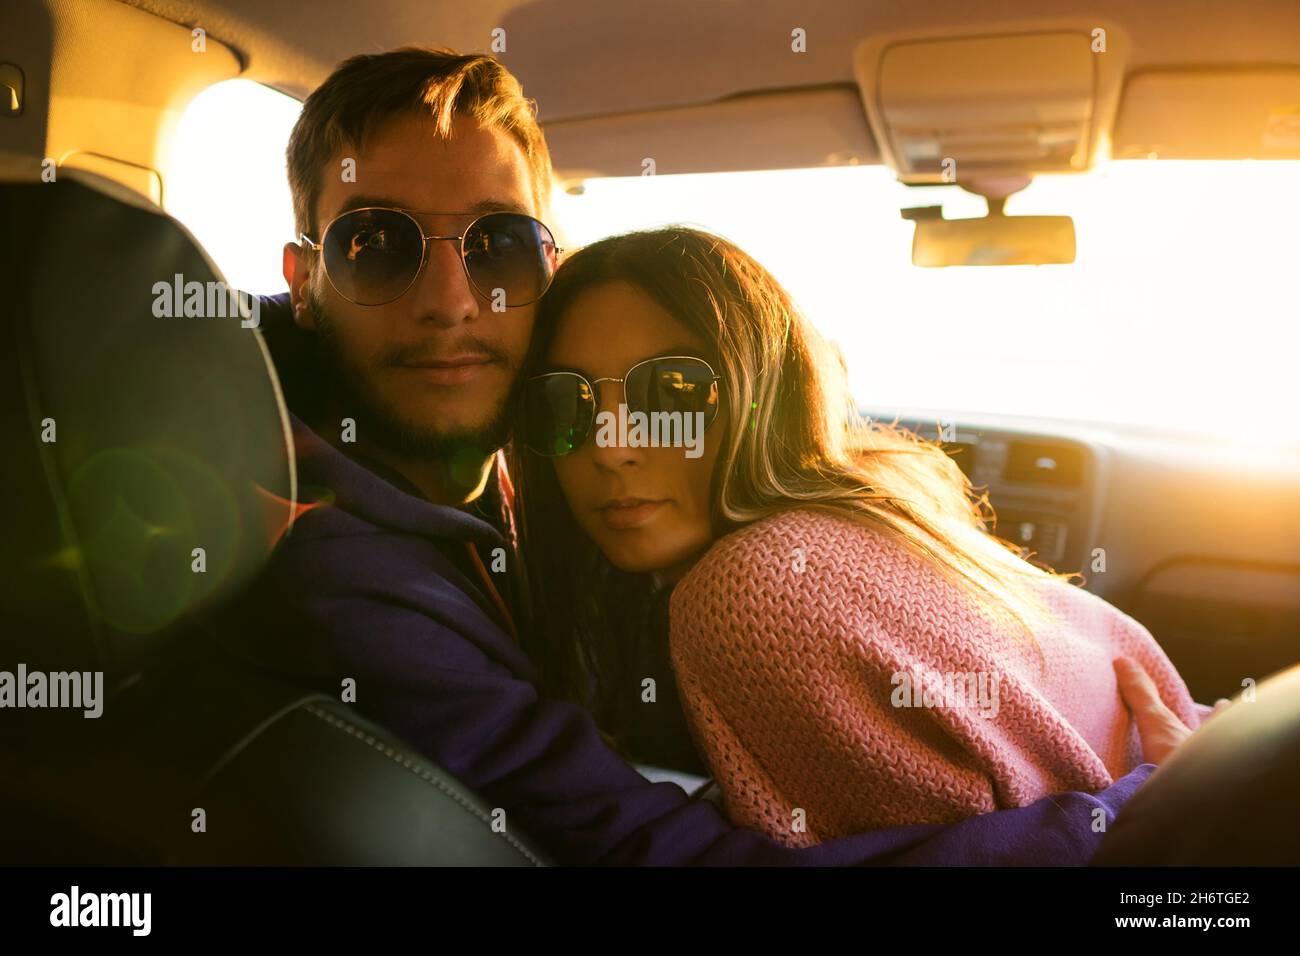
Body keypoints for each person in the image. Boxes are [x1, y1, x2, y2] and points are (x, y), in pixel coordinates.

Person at [225, 45, 1183, 866]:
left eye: (499, 247)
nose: (452, 302)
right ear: (305, 282)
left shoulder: (533, 453)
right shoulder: (332, 568)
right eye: (377, 246)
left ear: (547, 273)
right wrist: (1139, 819)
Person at [512, 226, 1221, 847]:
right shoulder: (879, 505)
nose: (610, 446)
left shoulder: (752, 586)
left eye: (672, 392)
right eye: (567, 401)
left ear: (767, 392)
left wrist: (1168, 799)